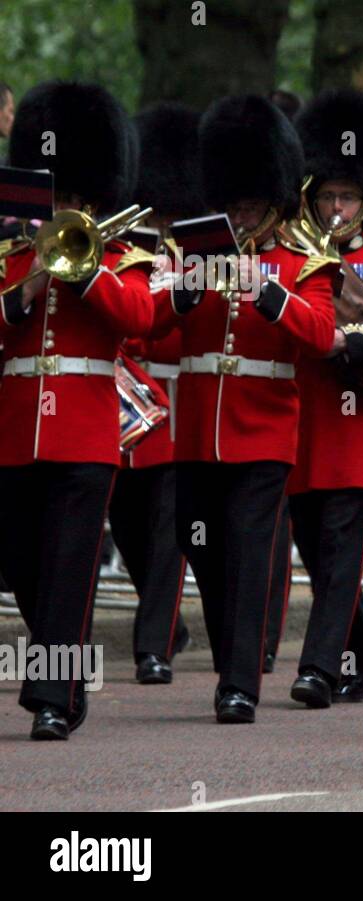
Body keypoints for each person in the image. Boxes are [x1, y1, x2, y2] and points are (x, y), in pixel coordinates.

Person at [159, 94, 337, 724]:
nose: (242, 217)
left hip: (263, 430)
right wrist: (183, 290)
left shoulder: (302, 265)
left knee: (249, 547)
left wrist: (266, 290)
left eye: (253, 206)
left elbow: (319, 333)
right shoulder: (190, 259)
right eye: (233, 206)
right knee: (199, 544)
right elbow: (150, 328)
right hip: (198, 432)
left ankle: (239, 683)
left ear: (275, 204)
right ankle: (235, 653)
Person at [0, 81, 154, 739]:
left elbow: (141, 318)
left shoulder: (123, 253)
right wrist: (32, 281)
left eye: (78, 200)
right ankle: (65, 677)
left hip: (88, 429)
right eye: (58, 198)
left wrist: (86, 272)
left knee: (69, 566)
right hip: (16, 429)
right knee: (23, 565)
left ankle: (52, 699)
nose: (67, 209)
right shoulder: (12, 256)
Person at [286, 88, 363, 707]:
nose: (337, 208)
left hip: (357, 423)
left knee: (341, 554)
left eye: (348, 197)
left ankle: (318, 669)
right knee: (318, 552)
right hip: (304, 421)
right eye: (328, 196)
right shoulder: (294, 259)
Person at [113, 101, 206, 685]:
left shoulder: (197, 261)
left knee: (169, 532)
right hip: (126, 405)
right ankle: (166, 626)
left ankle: (153, 647)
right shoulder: (127, 256)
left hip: (177, 407)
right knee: (125, 525)